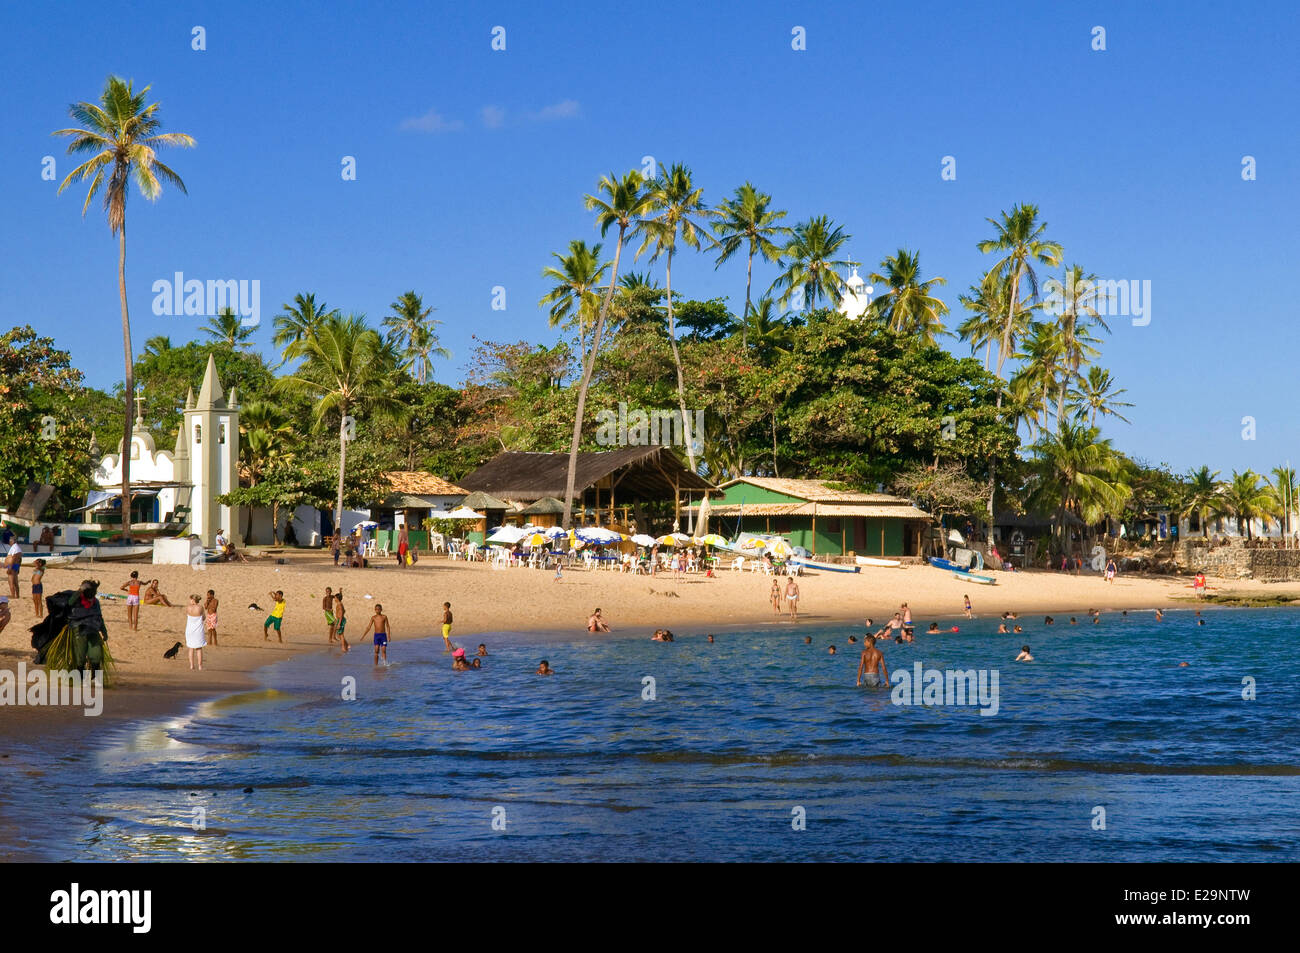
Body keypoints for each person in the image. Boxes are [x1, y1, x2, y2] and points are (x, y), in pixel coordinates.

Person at [184, 594, 207, 671]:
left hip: (189, 630)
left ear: (193, 600)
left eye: (190, 599)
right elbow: (203, 618)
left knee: (191, 648)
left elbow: (187, 615)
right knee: (199, 648)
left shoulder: (188, 607)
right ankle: (200, 666)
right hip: (198, 630)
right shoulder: (200, 607)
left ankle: (191, 665)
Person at [4, 534, 21, 599]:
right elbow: (20, 559)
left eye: (10, 541)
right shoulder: (17, 547)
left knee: (11, 581)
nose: (9, 542)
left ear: (13, 541)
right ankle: (17, 596)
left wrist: (10, 568)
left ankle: (13, 596)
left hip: (12, 565)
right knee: (15, 581)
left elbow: (13, 558)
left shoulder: (14, 547)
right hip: (16, 565)